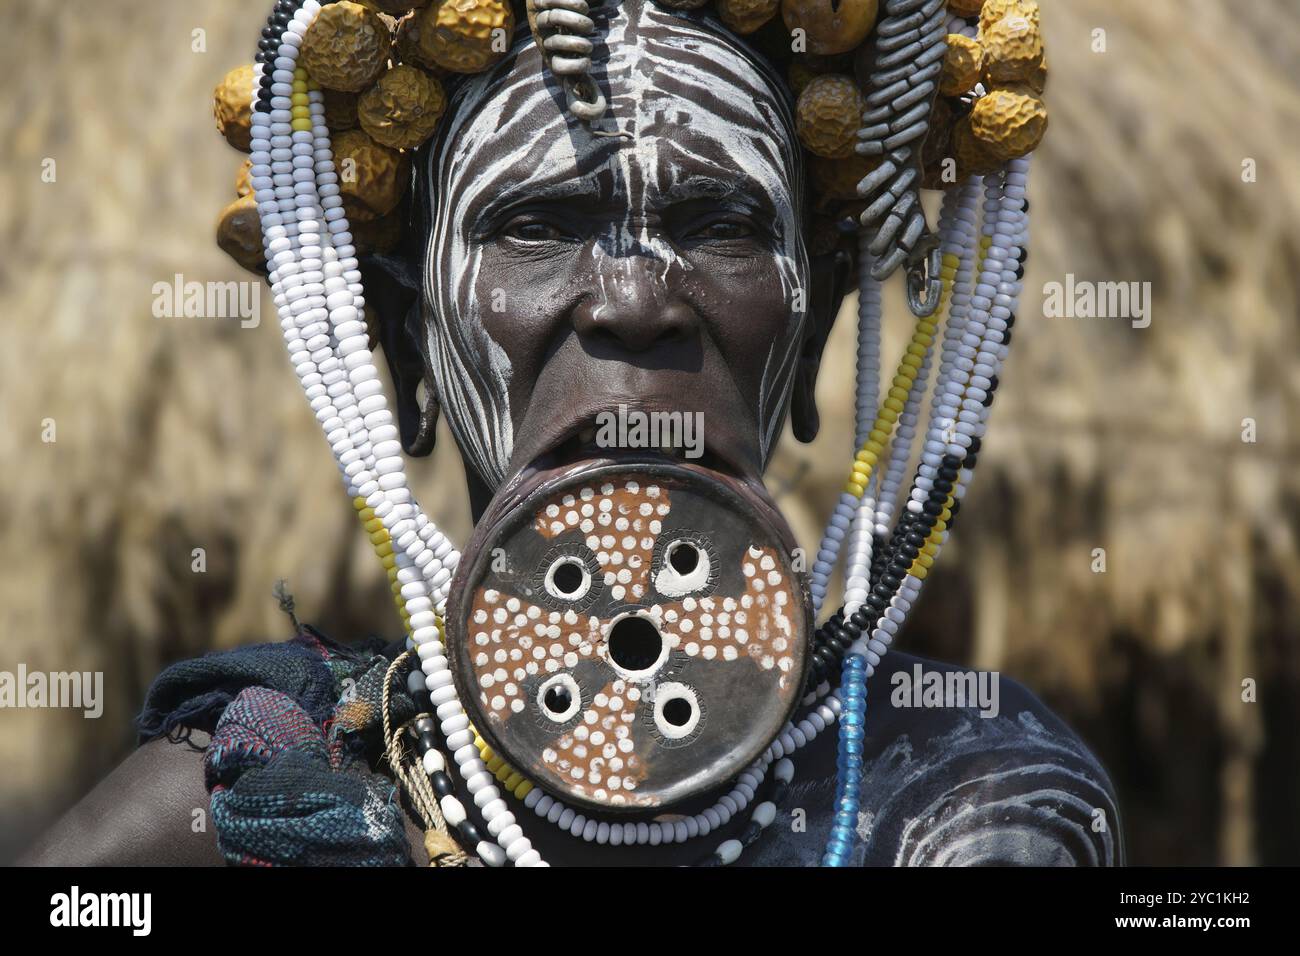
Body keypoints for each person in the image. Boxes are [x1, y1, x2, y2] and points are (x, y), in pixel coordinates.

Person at [22, 0, 1119, 866]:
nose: (636, 300)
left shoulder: (976, 801)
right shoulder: (222, 821)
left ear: (816, 315)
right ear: (407, 343)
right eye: (538, 226)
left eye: (720, 225)